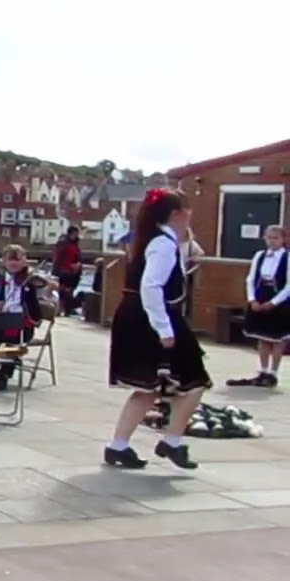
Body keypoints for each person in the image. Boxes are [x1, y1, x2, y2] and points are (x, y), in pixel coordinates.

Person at [105, 188, 210, 470]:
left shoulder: (153, 238)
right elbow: (151, 286)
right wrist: (164, 329)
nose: (190, 214)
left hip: (139, 315)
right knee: (194, 382)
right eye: (187, 209)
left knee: (147, 388)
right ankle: (171, 441)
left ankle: (118, 446)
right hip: (153, 317)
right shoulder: (162, 243)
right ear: (176, 213)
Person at [0, 245, 54, 391]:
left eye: (18, 259)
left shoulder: (32, 280)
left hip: (23, 325)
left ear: (24, 261)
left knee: (12, 343)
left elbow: (50, 298)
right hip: (1, 321)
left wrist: (49, 289)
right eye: (10, 259)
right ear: (4, 261)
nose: (14, 263)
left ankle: (3, 376)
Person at [227, 225, 288, 388]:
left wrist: (273, 302)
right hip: (260, 297)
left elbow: (289, 285)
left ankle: (273, 373)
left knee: (277, 339)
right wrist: (252, 299)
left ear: (283, 239)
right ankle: (263, 370)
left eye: (275, 238)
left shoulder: (287, 257)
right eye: (269, 238)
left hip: (279, 300)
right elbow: (251, 279)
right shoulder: (259, 255)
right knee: (262, 336)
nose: (272, 241)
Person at [52, 226, 82, 316]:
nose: (77, 235)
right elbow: (59, 258)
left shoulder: (72, 244)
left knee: (68, 291)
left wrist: (78, 265)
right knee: (63, 291)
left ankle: (65, 309)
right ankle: (62, 309)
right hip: (65, 271)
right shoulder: (65, 244)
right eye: (75, 233)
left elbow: (77, 256)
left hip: (72, 272)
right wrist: (71, 266)